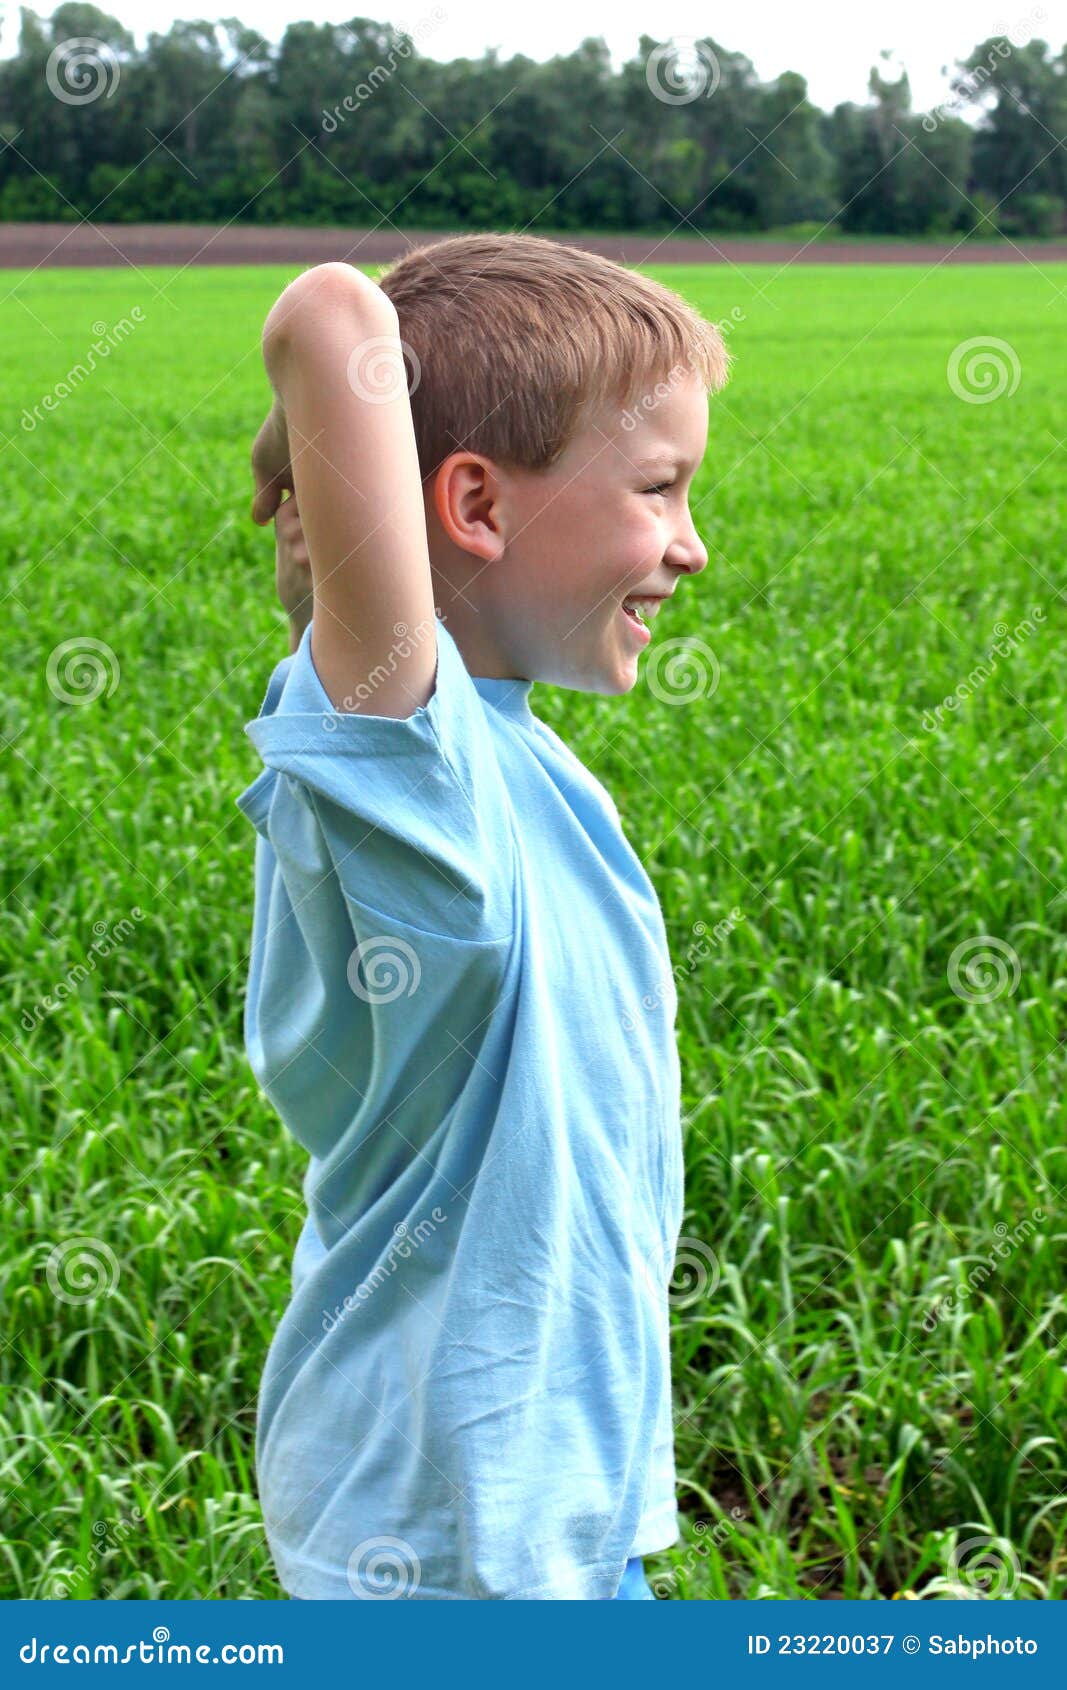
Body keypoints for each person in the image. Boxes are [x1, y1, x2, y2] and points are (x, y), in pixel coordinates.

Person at [237, 233, 731, 1600]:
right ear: (473, 504)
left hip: (551, 1521)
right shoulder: (428, 781)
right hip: (446, 1548)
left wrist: (341, 577)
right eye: (659, 487)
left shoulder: (508, 758)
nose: (693, 545)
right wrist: (323, 465)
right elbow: (329, 314)